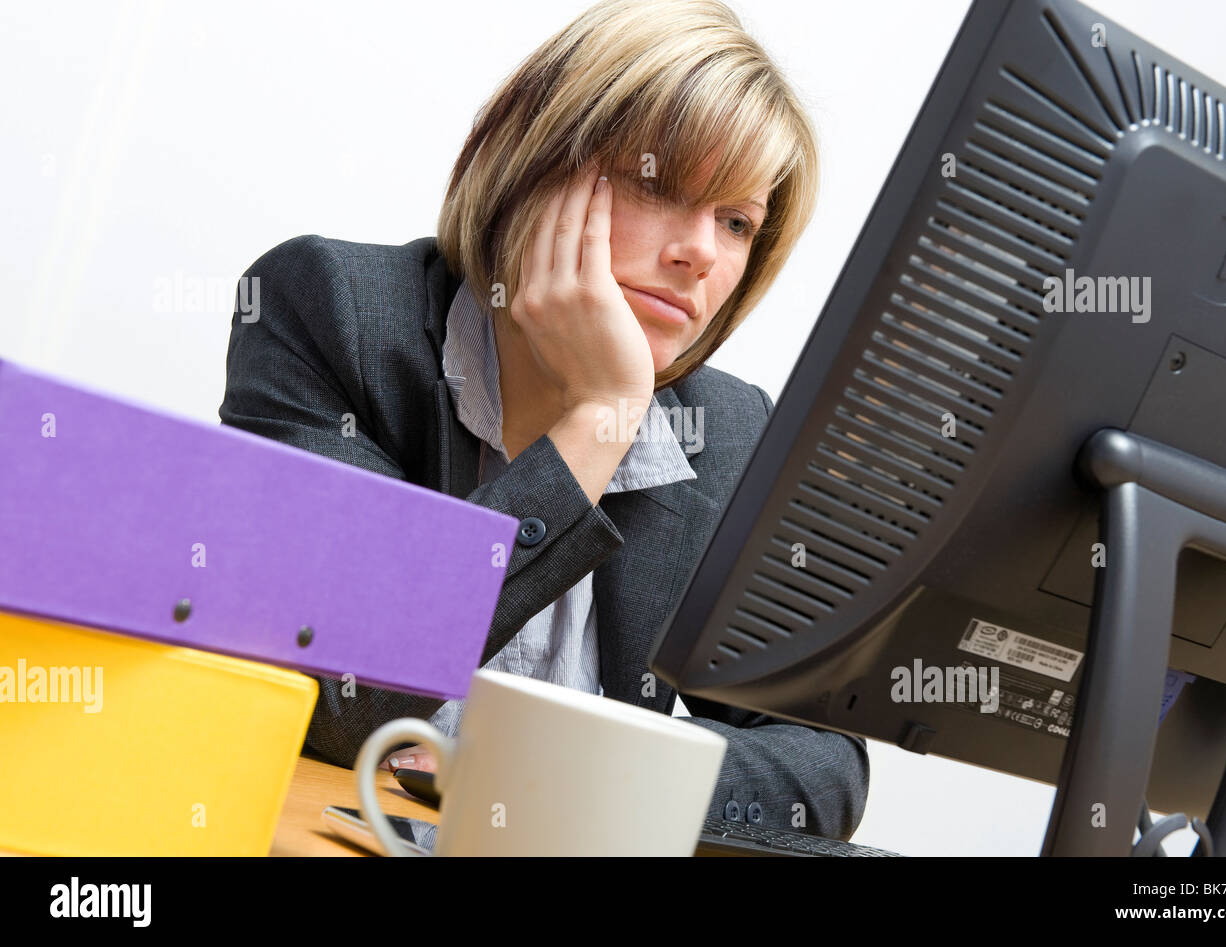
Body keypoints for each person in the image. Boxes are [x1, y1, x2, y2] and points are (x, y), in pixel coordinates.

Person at [218, 0, 869, 840]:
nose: (703, 252)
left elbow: (821, 764)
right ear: (533, 161)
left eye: (737, 221)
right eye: (660, 184)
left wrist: (564, 770)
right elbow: (351, 697)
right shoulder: (327, 312)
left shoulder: (732, 429)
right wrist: (600, 418)